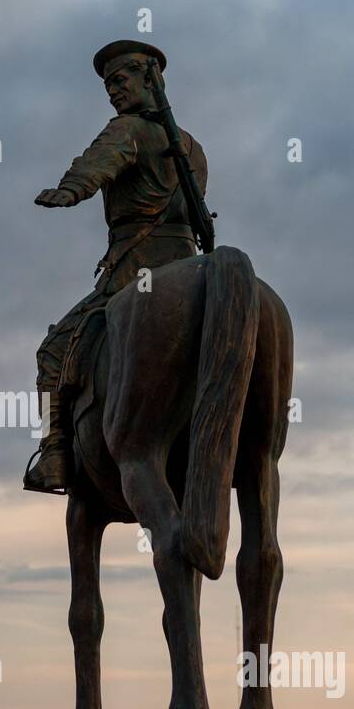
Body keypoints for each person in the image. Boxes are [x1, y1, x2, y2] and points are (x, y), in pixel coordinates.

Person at [24, 41, 207, 494]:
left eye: (120, 80)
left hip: (134, 269)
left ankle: (55, 454)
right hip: (193, 267)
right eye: (108, 84)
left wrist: (66, 191)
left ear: (150, 80)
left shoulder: (127, 130)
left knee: (54, 349)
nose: (112, 91)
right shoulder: (192, 148)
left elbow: (95, 167)